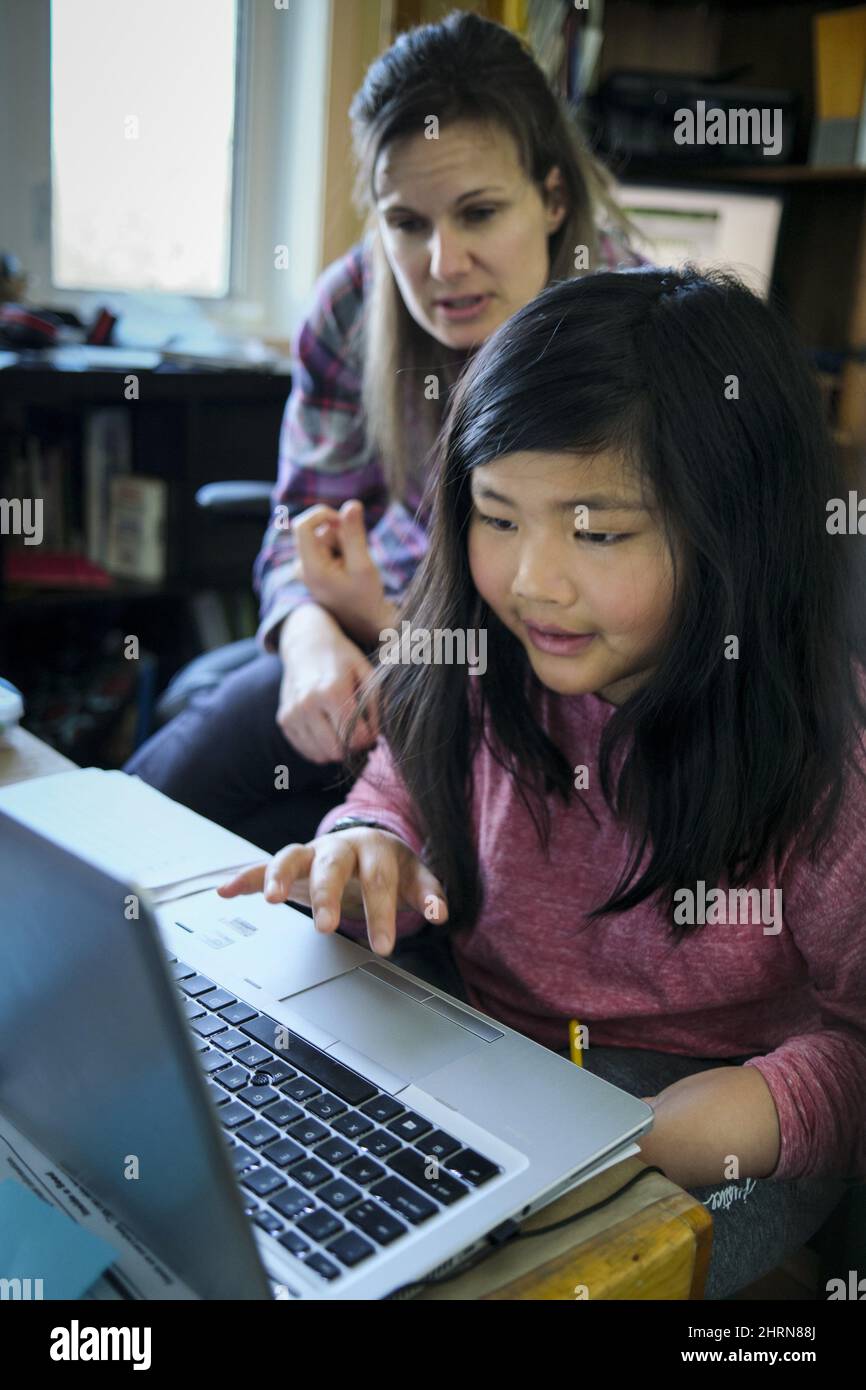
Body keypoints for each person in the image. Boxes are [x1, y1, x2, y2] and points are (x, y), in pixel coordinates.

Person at [218, 267, 866, 1300]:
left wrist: (754, 1110)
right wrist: (368, 833)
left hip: (708, 1098)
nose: (532, 581)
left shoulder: (827, 764)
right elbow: (401, 778)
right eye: (498, 515)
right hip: (489, 1041)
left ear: (735, 533)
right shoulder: (490, 656)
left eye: (597, 530)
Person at [124, 10, 644, 852]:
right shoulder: (354, 302)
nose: (442, 266)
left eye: (478, 214)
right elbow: (296, 527)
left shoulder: (635, 334)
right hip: (377, 640)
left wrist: (390, 624)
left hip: (539, 688)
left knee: (220, 768)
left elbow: (604, 634)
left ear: (551, 197)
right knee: (251, 821)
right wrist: (305, 638)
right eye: (407, 223)